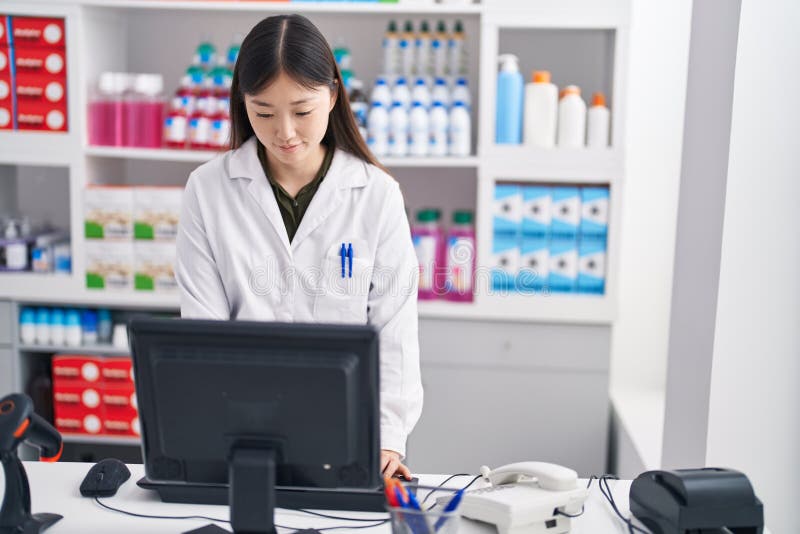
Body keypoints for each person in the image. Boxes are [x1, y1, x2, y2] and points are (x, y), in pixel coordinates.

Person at [175, 14, 423, 480]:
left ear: (332, 95)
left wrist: (389, 438)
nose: (284, 132)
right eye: (263, 112)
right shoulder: (207, 190)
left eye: (302, 111)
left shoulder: (376, 194)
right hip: (240, 433)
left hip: (352, 436)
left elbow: (395, 330)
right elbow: (202, 333)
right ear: (241, 104)